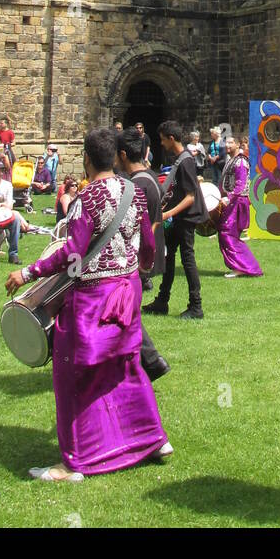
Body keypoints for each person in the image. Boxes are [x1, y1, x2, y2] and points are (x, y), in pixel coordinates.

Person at [5, 127, 169, 481]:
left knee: (73, 375)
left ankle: (74, 462)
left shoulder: (88, 197)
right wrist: (139, 266)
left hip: (93, 300)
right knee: (125, 367)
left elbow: (73, 252)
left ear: (87, 159)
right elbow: (148, 241)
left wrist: (28, 272)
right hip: (127, 292)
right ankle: (150, 438)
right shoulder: (133, 191)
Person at [116, 127, 170, 381]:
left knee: (121, 313)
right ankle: (149, 360)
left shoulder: (135, 186)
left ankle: (148, 360)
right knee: (126, 313)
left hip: (131, 258)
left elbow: (141, 226)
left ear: (123, 155)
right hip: (142, 256)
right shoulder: (151, 178)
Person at [143, 120, 205, 320]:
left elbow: (190, 197)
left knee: (188, 259)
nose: (161, 144)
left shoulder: (186, 161)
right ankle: (162, 301)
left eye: (162, 140)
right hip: (178, 217)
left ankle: (196, 306)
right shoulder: (181, 159)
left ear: (171, 138)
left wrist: (167, 214)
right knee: (169, 257)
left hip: (186, 218)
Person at [216, 137, 263, 278]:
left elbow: (241, 185)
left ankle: (245, 267)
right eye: (226, 143)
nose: (227, 145)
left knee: (228, 233)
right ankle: (240, 266)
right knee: (227, 233)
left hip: (237, 202)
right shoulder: (231, 160)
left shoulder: (241, 162)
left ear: (237, 144)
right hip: (232, 201)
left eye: (231, 142)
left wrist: (228, 198)